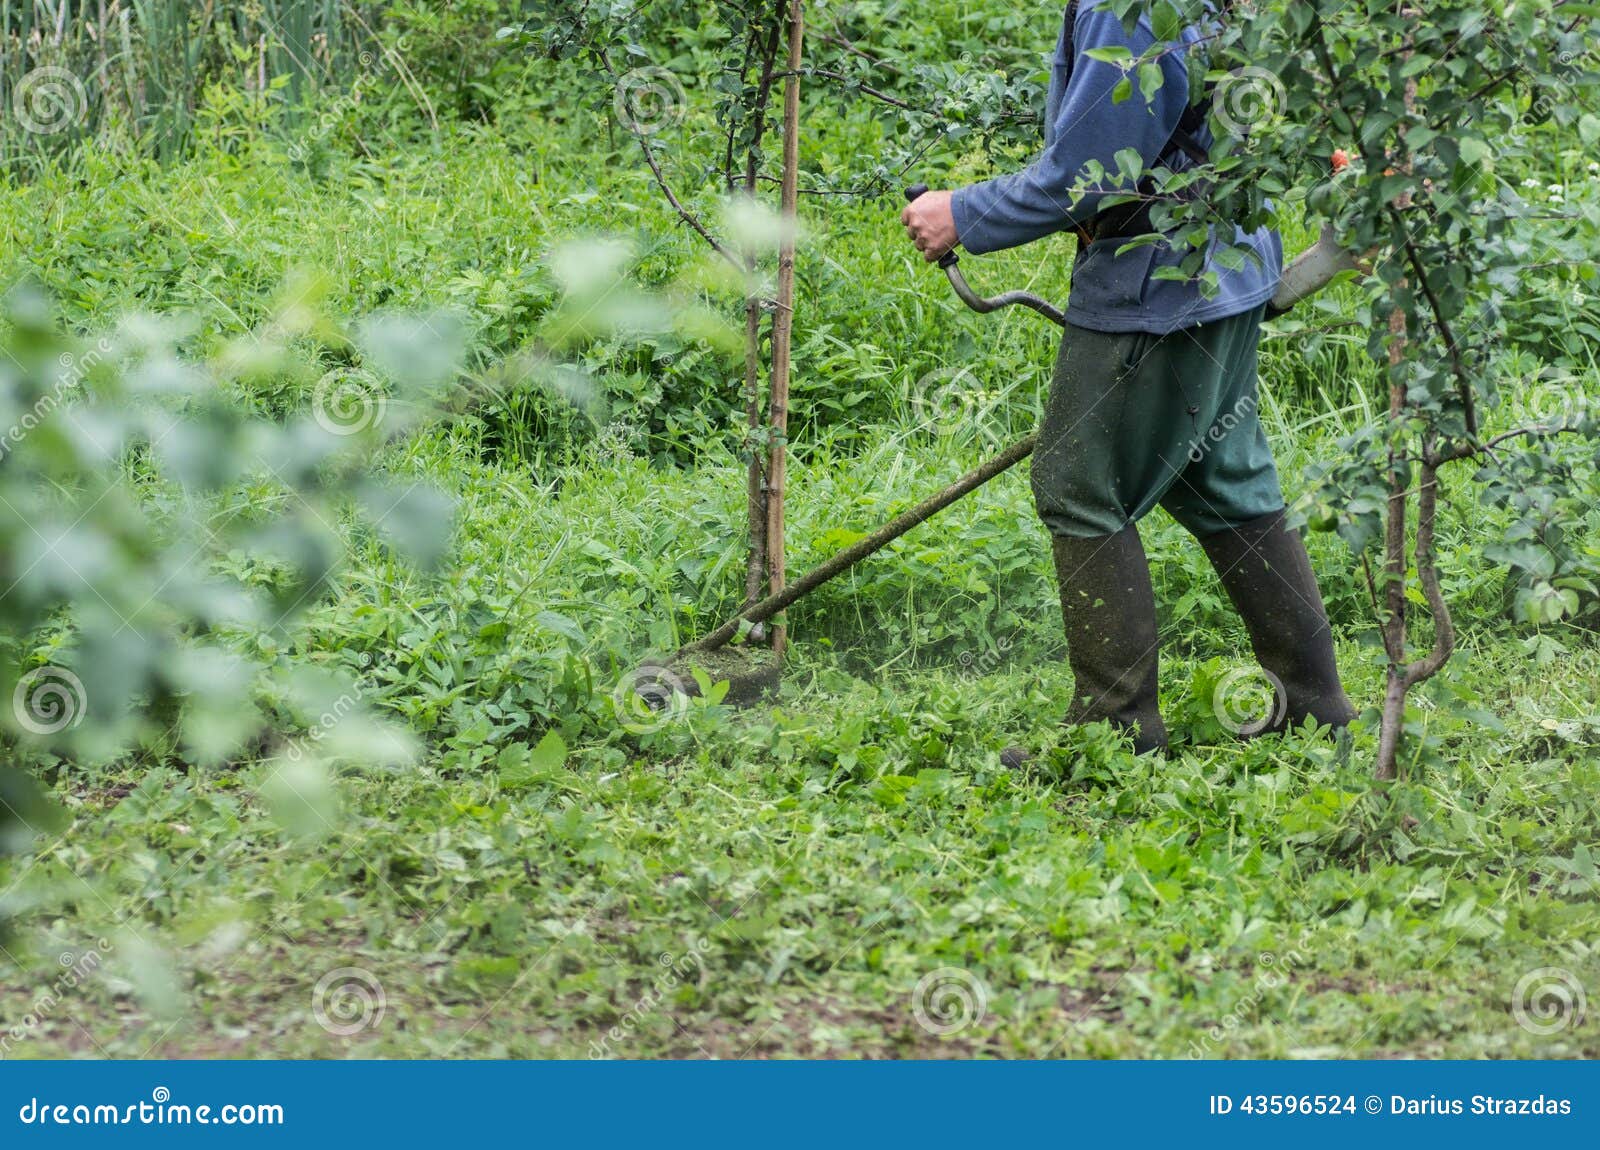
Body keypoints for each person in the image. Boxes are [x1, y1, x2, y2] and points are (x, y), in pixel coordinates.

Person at [900, 0, 1355, 756]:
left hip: (1160, 289)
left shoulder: (1128, 8)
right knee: (1222, 477)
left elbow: (1086, 175)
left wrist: (963, 213)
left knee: (1080, 486)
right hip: (1232, 272)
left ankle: (1113, 735)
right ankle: (1315, 706)